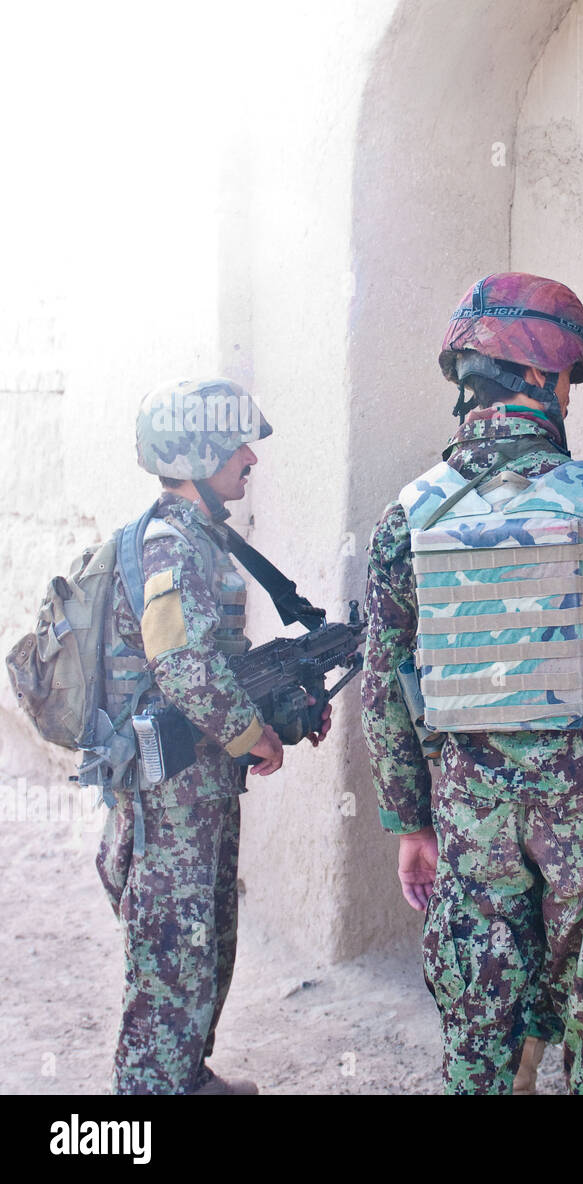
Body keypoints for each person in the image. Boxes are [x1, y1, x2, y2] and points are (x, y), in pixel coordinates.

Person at [360, 273, 583, 1095]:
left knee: (477, 1039)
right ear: (546, 381)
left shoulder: (408, 515)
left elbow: (383, 688)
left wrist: (411, 821)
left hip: (469, 813)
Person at [95, 377, 331, 1095]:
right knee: (171, 951)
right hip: (169, 797)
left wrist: (283, 706)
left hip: (194, 788)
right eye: (236, 445)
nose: (250, 459)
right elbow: (185, 666)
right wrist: (251, 735)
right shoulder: (172, 545)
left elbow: (217, 664)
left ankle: (185, 1075)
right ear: (197, 454)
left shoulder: (201, 539)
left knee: (204, 941)